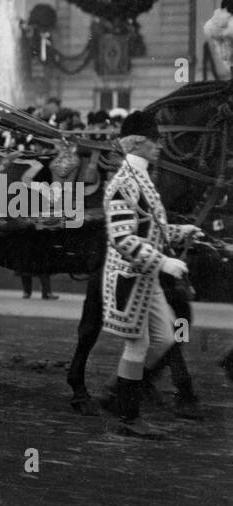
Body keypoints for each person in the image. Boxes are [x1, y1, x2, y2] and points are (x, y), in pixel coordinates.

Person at [101, 109, 202, 438]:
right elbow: (122, 238)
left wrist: (178, 231)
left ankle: (124, 396)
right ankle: (129, 416)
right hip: (130, 277)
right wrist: (164, 263)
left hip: (144, 278)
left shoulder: (141, 178)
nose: (160, 146)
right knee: (140, 343)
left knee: (165, 339)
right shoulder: (125, 183)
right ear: (139, 144)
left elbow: (150, 230)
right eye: (155, 141)